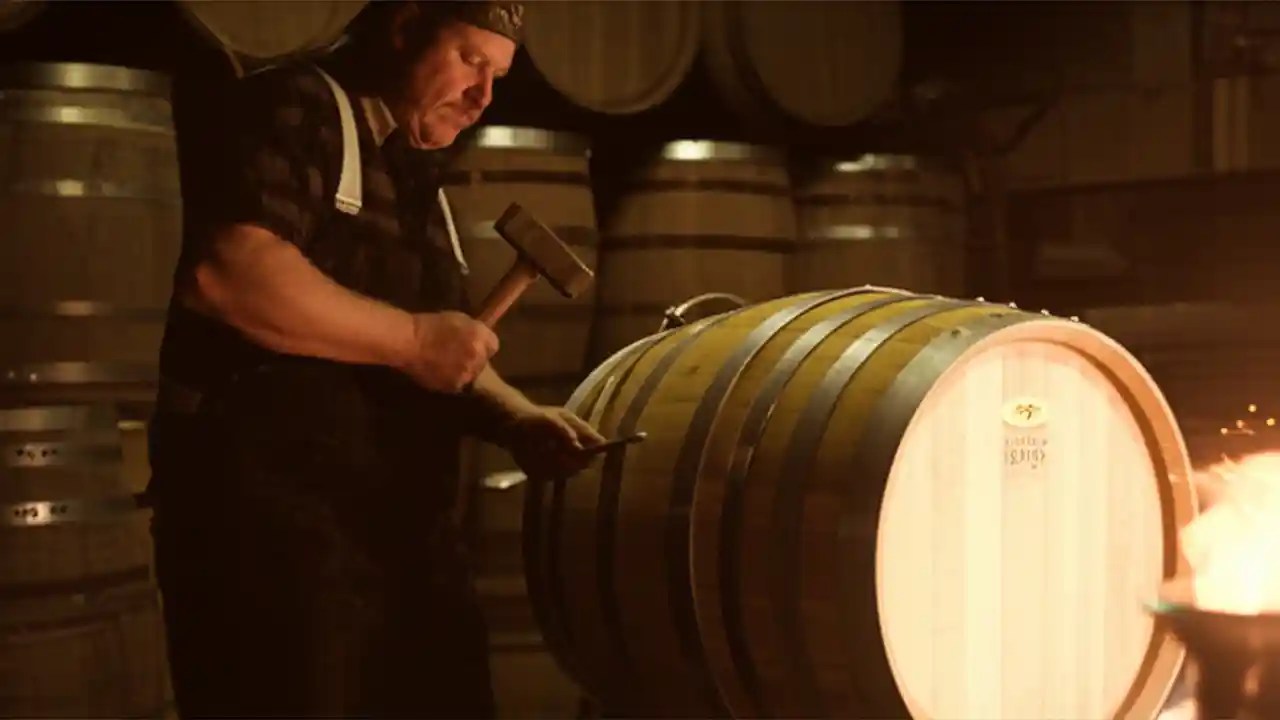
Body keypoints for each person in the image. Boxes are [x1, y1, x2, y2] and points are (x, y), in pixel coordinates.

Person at [146, 2, 604, 717]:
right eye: (469, 61)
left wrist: (513, 416)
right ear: (404, 28)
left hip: (401, 543)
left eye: (499, 75)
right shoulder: (301, 108)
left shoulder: (418, 174)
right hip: (278, 547)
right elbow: (230, 276)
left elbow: (428, 347)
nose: (483, 96)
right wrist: (419, 341)